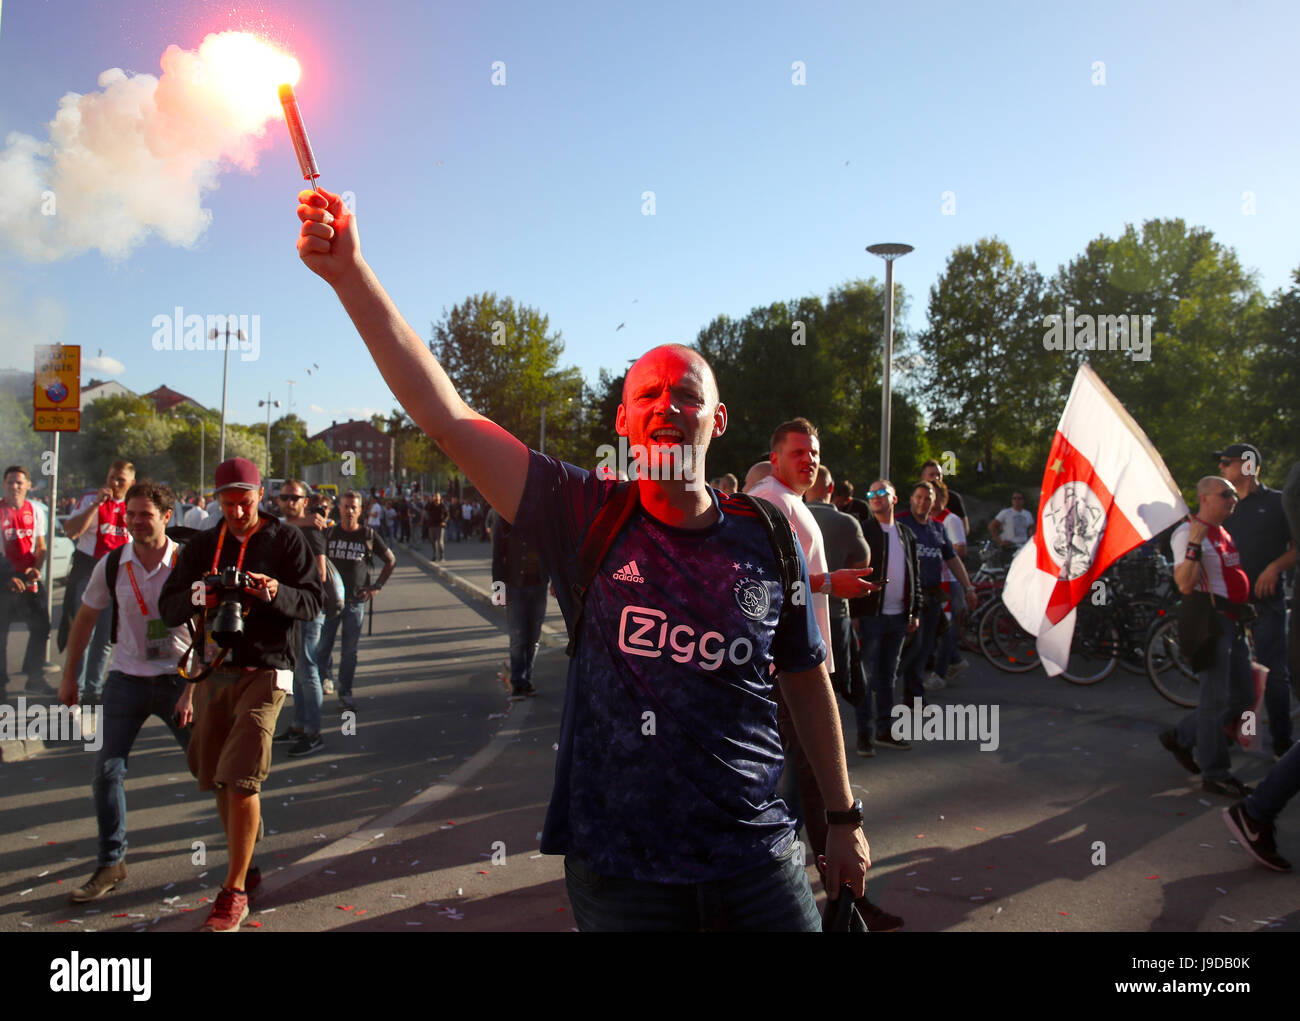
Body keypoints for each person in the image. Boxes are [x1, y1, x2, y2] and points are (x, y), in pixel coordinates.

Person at [296, 188, 870, 931]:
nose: (669, 405)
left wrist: (844, 814)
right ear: (625, 419)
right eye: (650, 393)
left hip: (757, 865)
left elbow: (805, 677)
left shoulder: (766, 533)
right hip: (621, 874)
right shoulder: (586, 512)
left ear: (717, 420)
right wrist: (351, 276)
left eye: (687, 395)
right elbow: (449, 419)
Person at [158, 456, 322, 932]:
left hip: (268, 670)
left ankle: (233, 892)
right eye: (227, 504)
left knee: (242, 776)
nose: (236, 512)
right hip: (214, 668)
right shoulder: (204, 544)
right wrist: (200, 596)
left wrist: (273, 591)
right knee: (218, 777)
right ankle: (245, 862)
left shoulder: (286, 538)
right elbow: (168, 606)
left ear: (259, 497)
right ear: (216, 501)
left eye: (244, 502)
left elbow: (314, 602)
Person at [58, 481, 195, 902]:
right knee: (106, 771)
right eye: (130, 515)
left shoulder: (188, 562)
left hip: (179, 679)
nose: (135, 522)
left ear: (166, 517)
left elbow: (210, 627)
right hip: (127, 679)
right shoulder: (113, 563)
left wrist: (193, 688)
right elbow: (84, 619)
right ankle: (111, 862)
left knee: (212, 769)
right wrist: (69, 677)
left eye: (145, 515)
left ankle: (244, 839)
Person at [1158, 476, 1256, 798]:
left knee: (1243, 697)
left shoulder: (1224, 531)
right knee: (1215, 702)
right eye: (1225, 494)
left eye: (1233, 494)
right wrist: (1194, 546)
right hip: (1209, 626)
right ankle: (1215, 773)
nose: (1233, 499)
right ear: (1204, 498)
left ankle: (1182, 735)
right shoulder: (1188, 532)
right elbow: (1185, 585)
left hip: (1232, 622)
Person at [1215, 442, 1295, 758]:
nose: (1221, 467)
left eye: (1226, 462)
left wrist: (1275, 567)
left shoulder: (1278, 503)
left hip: (1267, 604)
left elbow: (1297, 546)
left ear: (1247, 465)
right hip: (1231, 607)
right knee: (1242, 681)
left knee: (1273, 675)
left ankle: (1282, 742)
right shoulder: (1224, 505)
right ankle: (1244, 735)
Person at [850, 480, 921, 753]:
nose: (876, 497)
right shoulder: (864, 531)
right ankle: (865, 735)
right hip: (871, 616)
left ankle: (885, 730)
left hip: (899, 616)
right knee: (866, 676)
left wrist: (914, 611)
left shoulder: (905, 533)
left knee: (888, 676)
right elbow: (854, 571)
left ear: (894, 498)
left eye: (882, 493)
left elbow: (914, 574)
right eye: (871, 494)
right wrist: (856, 612)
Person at [896, 482, 979, 705]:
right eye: (919, 497)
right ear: (912, 499)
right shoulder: (900, 523)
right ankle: (892, 689)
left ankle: (913, 697)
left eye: (928, 498)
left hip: (932, 597)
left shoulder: (938, 528)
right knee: (910, 647)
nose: (923, 502)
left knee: (924, 648)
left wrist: (968, 587)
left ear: (934, 503)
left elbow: (953, 559)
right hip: (908, 597)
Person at [62, 460, 135, 703]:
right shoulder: (90, 500)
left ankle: (93, 689)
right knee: (84, 633)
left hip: (118, 578)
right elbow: (71, 531)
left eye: (120, 480)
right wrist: (95, 505)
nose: (114, 483)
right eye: (112, 477)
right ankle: (76, 686)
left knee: (105, 638)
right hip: (88, 572)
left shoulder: (133, 507)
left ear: (131, 483)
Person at [320, 490, 396, 713]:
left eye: (354, 507)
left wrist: (376, 588)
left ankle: (346, 693)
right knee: (323, 647)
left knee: (349, 651)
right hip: (330, 602)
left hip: (355, 602)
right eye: (346, 506)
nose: (349, 511)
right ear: (339, 509)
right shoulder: (329, 534)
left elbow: (391, 560)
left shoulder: (368, 535)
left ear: (361, 511)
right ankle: (327, 678)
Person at [272, 480, 331, 758]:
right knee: (297, 667)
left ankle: (314, 732)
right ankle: (298, 726)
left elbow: (319, 573)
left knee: (308, 669)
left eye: (294, 498)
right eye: (284, 497)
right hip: (291, 608)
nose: (288, 502)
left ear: (305, 501)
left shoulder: (311, 530)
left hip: (309, 608)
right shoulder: (287, 527)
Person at [1, 466, 51, 697]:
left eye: (19, 482)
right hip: (4, 578)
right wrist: (7, 577)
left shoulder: (36, 510)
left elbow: (41, 547)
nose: (15, 487)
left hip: (28, 577)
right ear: (4, 485)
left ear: (28, 486)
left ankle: (34, 677)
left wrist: (35, 569)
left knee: (41, 626)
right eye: (10, 482)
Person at [491, 513, 549, 699]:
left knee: (533, 637)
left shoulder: (544, 514)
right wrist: (498, 590)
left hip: (539, 584)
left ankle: (527, 680)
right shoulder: (505, 515)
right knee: (518, 637)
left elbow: (554, 550)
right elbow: (498, 554)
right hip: (516, 585)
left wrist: (557, 581)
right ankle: (517, 681)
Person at [921, 459, 969, 536]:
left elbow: (964, 529)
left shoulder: (953, 498)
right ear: (923, 477)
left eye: (938, 475)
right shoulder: (917, 498)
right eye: (931, 475)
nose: (936, 478)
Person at [427, 492, 449, 561]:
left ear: (440, 497)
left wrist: (444, 521)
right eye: (435, 496)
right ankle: (435, 555)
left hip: (440, 525)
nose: (436, 498)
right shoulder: (431, 505)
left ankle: (442, 556)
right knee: (433, 541)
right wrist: (431, 502)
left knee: (440, 541)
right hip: (432, 525)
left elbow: (447, 515)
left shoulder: (443, 505)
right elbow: (427, 510)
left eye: (437, 496)